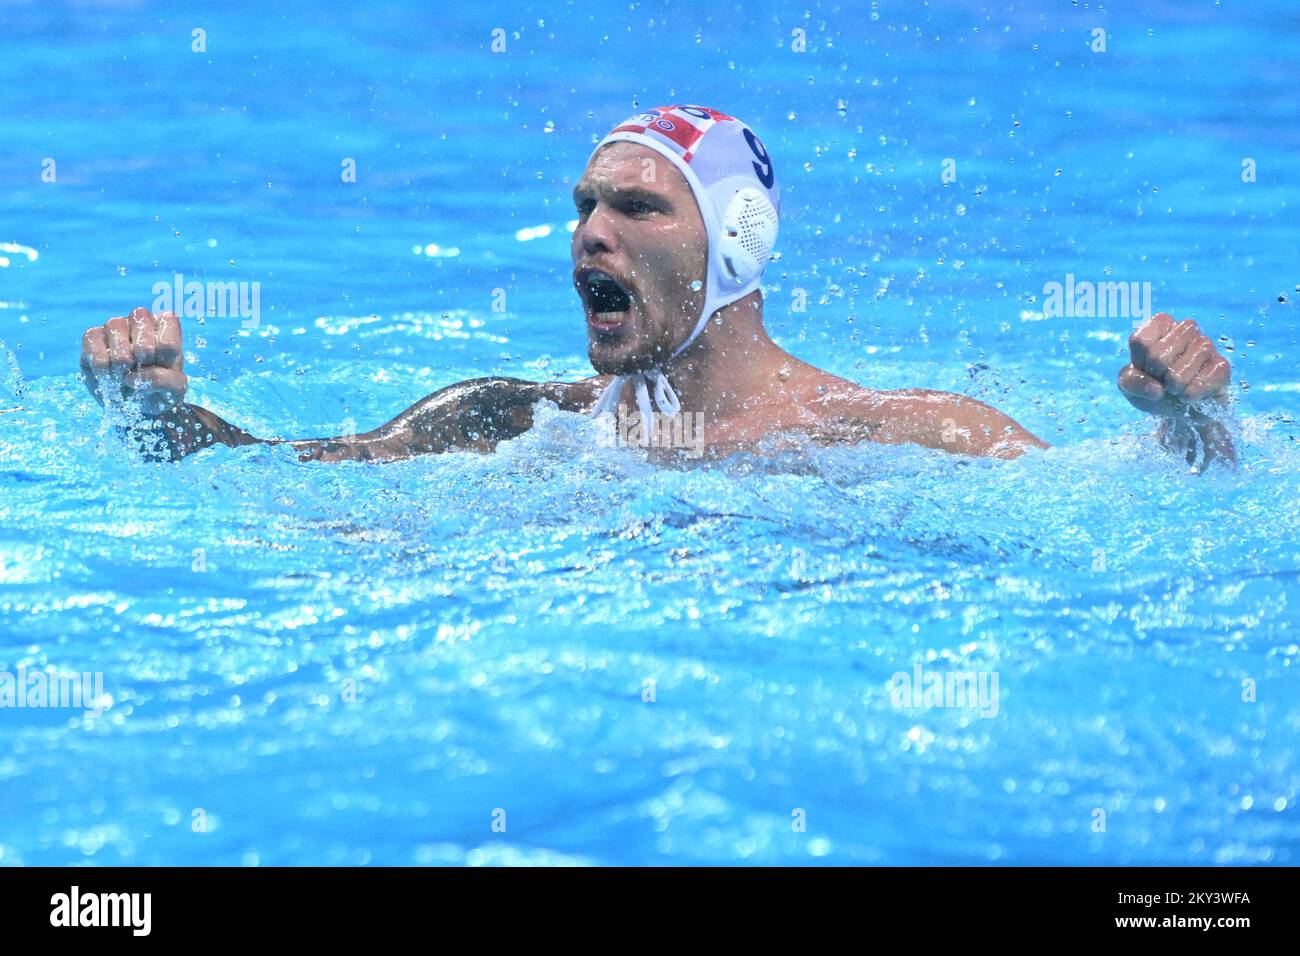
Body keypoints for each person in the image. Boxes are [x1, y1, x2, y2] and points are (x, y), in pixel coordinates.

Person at [78, 104, 1237, 468]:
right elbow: (275, 485)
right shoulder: (510, 418)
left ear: (734, 242)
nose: (590, 233)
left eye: (636, 207)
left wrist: (1197, 426)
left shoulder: (907, 431)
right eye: (583, 206)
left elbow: (1127, 521)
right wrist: (158, 411)